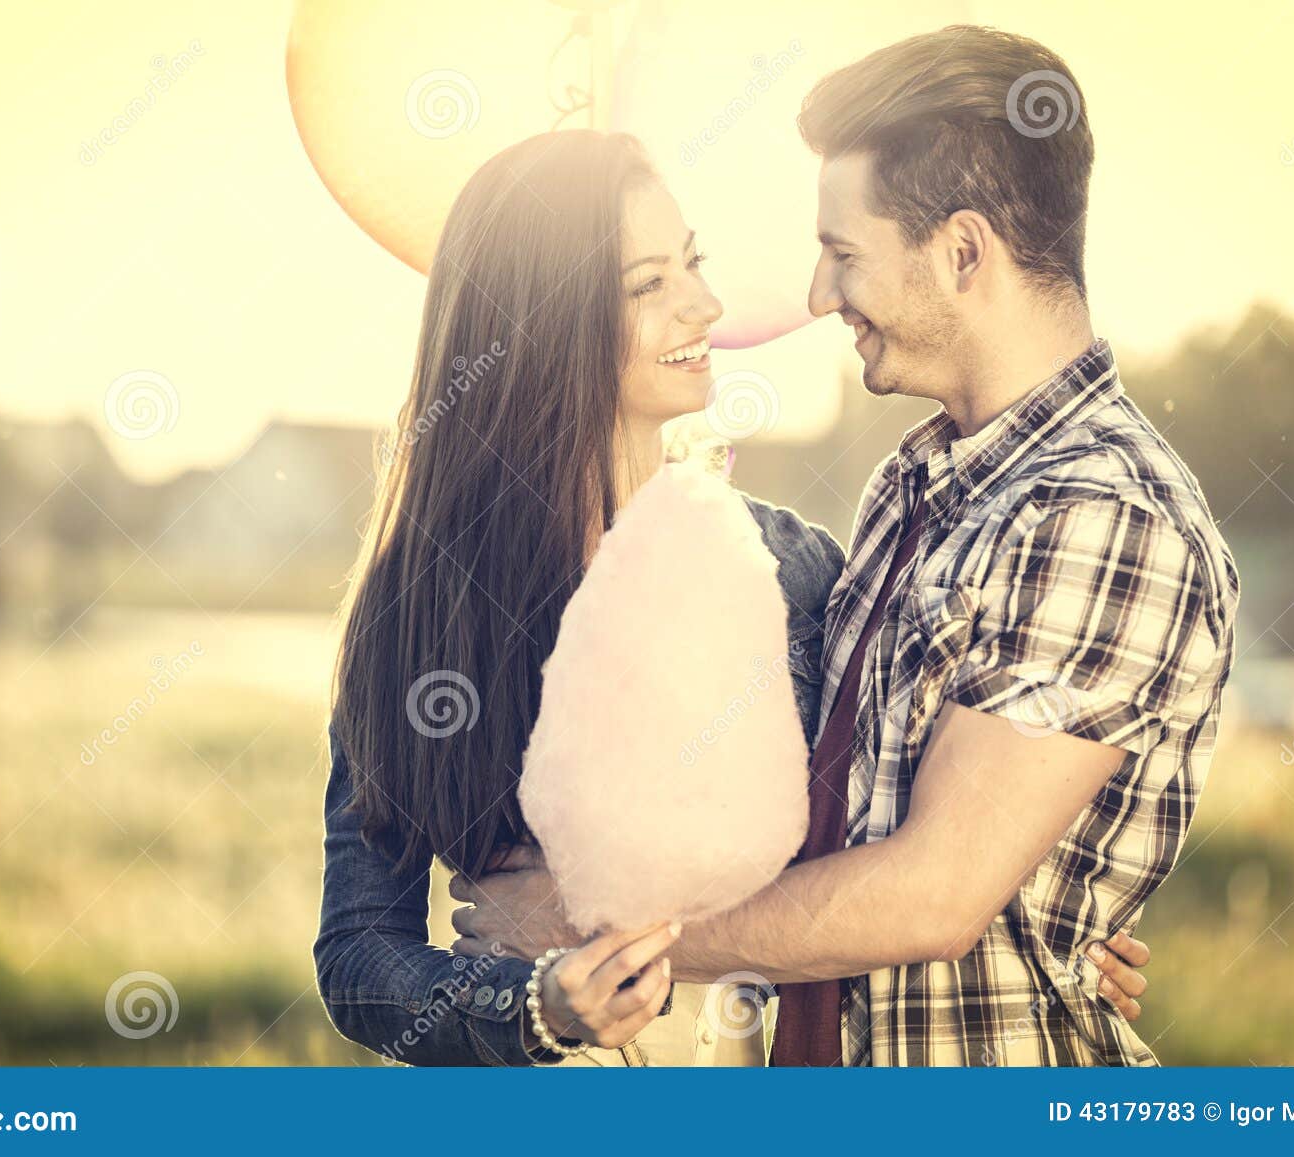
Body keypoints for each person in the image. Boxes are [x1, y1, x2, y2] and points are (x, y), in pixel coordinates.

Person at [453, 26, 1229, 1068]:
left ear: (962, 252)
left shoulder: (1101, 510)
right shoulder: (913, 489)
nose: (819, 296)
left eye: (843, 253)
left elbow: (931, 898)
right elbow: (849, 832)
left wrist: (585, 925)